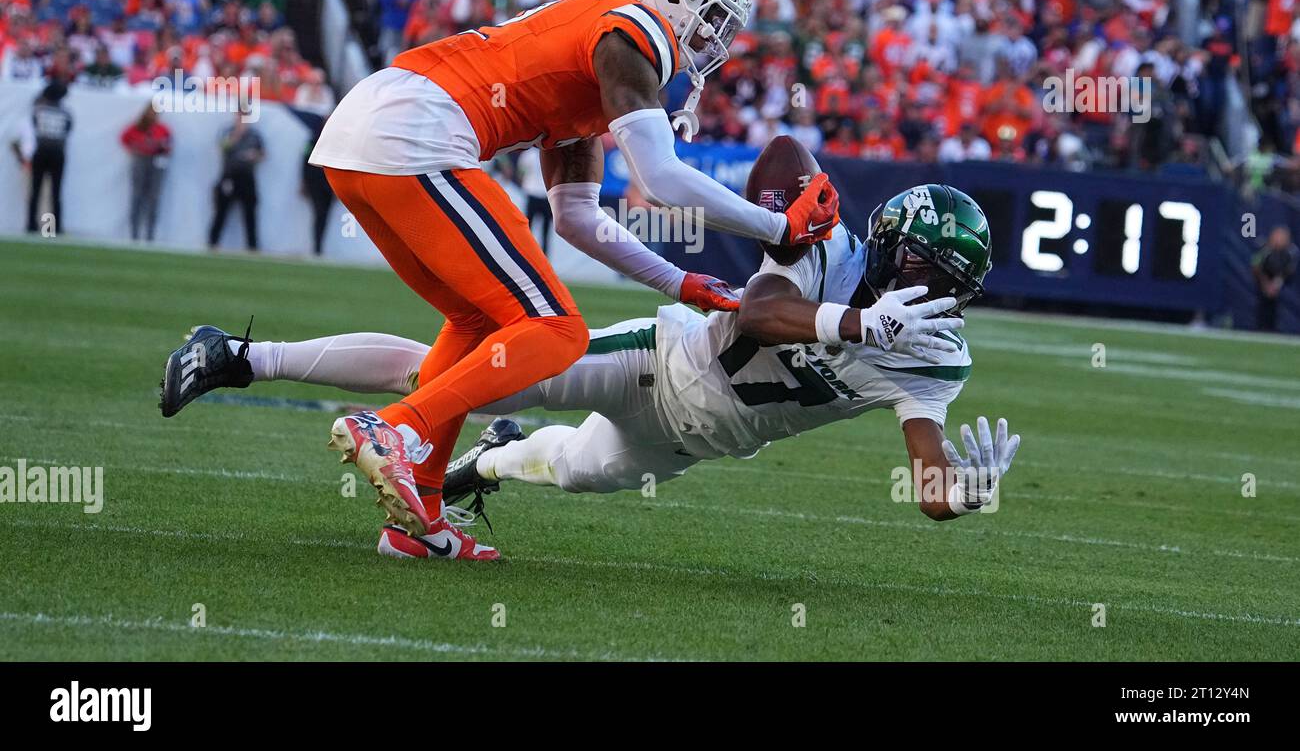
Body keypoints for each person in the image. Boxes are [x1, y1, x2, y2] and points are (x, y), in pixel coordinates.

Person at [173, 0, 840, 560]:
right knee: (557, 332)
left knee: (476, 323)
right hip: (416, 132)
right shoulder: (634, 31)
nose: (713, 35)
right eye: (710, 11)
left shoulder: (597, 46)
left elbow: (579, 220)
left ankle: (419, 514)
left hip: (372, 131)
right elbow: (661, 178)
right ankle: (395, 428)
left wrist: (681, 281)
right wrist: (778, 226)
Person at [159, 185, 1010, 562]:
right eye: (936, 276)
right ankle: (239, 356)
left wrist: (965, 492)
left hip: (693, 444)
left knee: (571, 469)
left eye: (956, 287)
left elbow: (929, 486)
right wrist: (858, 321)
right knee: (443, 371)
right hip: (651, 363)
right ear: (899, 253)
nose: (947, 299)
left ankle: (477, 463)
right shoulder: (825, 249)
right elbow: (756, 314)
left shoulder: (935, 354)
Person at [208, 113, 264, 251]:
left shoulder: (254, 135)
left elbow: (262, 153)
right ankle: (213, 242)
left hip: (247, 177)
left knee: (250, 213)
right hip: (229, 176)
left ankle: (252, 246)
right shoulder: (228, 131)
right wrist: (237, 135)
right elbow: (223, 147)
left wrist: (254, 155)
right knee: (221, 210)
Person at [27, 81, 74, 236]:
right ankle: (55, 227)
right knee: (55, 192)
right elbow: (68, 130)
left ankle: (31, 224)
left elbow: (34, 127)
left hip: (41, 152)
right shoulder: (65, 112)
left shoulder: (38, 109)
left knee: (36, 190)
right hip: (57, 154)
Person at [120, 104, 172, 241]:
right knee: (137, 196)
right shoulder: (138, 126)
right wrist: (135, 148)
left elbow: (168, 145)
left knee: (153, 198)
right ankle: (134, 234)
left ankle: (150, 234)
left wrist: (160, 146)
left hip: (156, 162)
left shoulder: (162, 129)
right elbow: (124, 138)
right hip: (140, 160)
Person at [1252, 226, 1298, 331]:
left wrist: (1277, 284)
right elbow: (1256, 266)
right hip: (1263, 279)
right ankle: (1260, 327)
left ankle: (1274, 328)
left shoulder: (1291, 252)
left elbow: (1288, 270)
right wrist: (1265, 284)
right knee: (1263, 305)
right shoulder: (1264, 249)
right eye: (1277, 237)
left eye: (1282, 238)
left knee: (1274, 306)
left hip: (1281, 281)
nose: (1279, 240)